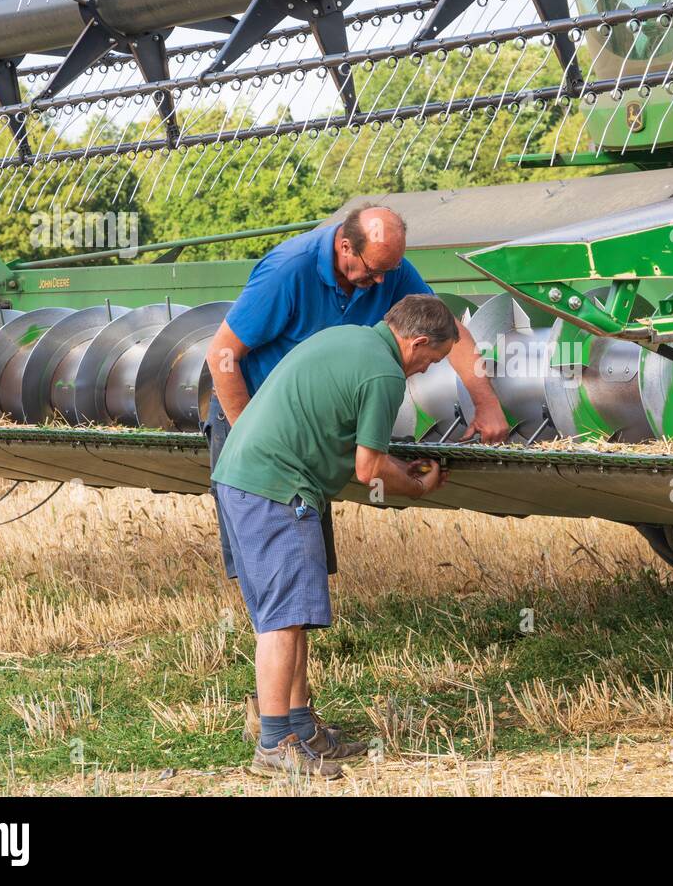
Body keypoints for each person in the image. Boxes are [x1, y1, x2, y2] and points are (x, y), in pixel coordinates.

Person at [204, 204, 507, 742]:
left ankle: (298, 722)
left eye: (391, 274)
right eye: (374, 271)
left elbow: (450, 330)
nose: (383, 282)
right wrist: (266, 440)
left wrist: (486, 403)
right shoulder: (288, 270)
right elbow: (222, 355)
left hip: (296, 441)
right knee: (279, 602)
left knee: (298, 590)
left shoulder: (385, 290)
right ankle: (275, 732)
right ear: (346, 248)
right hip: (257, 423)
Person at [212, 295, 456, 777]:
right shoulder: (385, 376)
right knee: (282, 621)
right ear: (418, 341)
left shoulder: (348, 339)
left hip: (242, 478)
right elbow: (368, 470)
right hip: (278, 490)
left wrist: (397, 465)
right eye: (433, 360)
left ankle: (302, 730)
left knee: (292, 616)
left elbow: (343, 433)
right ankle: (274, 743)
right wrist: (419, 486)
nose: (427, 371)